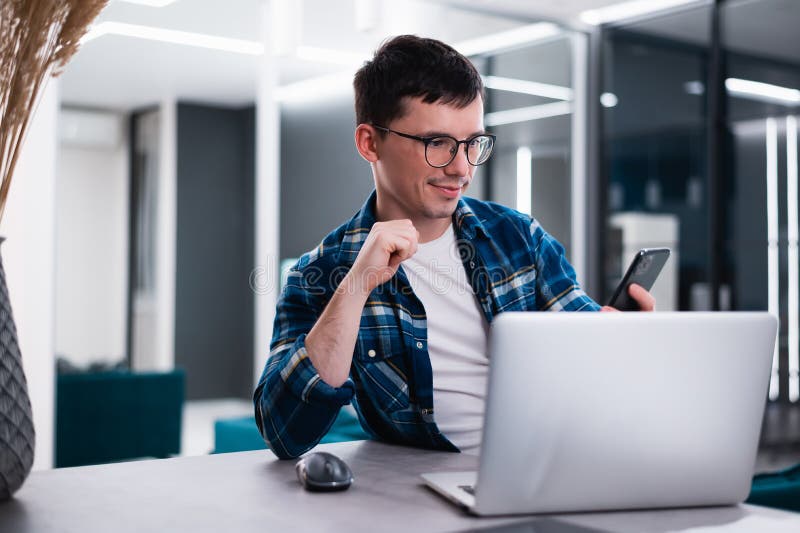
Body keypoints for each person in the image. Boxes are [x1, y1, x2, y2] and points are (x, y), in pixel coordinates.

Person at [253, 35, 655, 460]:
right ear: (370, 143)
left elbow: (586, 363)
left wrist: (617, 343)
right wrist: (356, 287)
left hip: (550, 464)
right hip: (422, 496)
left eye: (472, 143)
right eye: (437, 143)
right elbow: (285, 433)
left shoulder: (519, 237)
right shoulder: (321, 272)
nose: (461, 168)